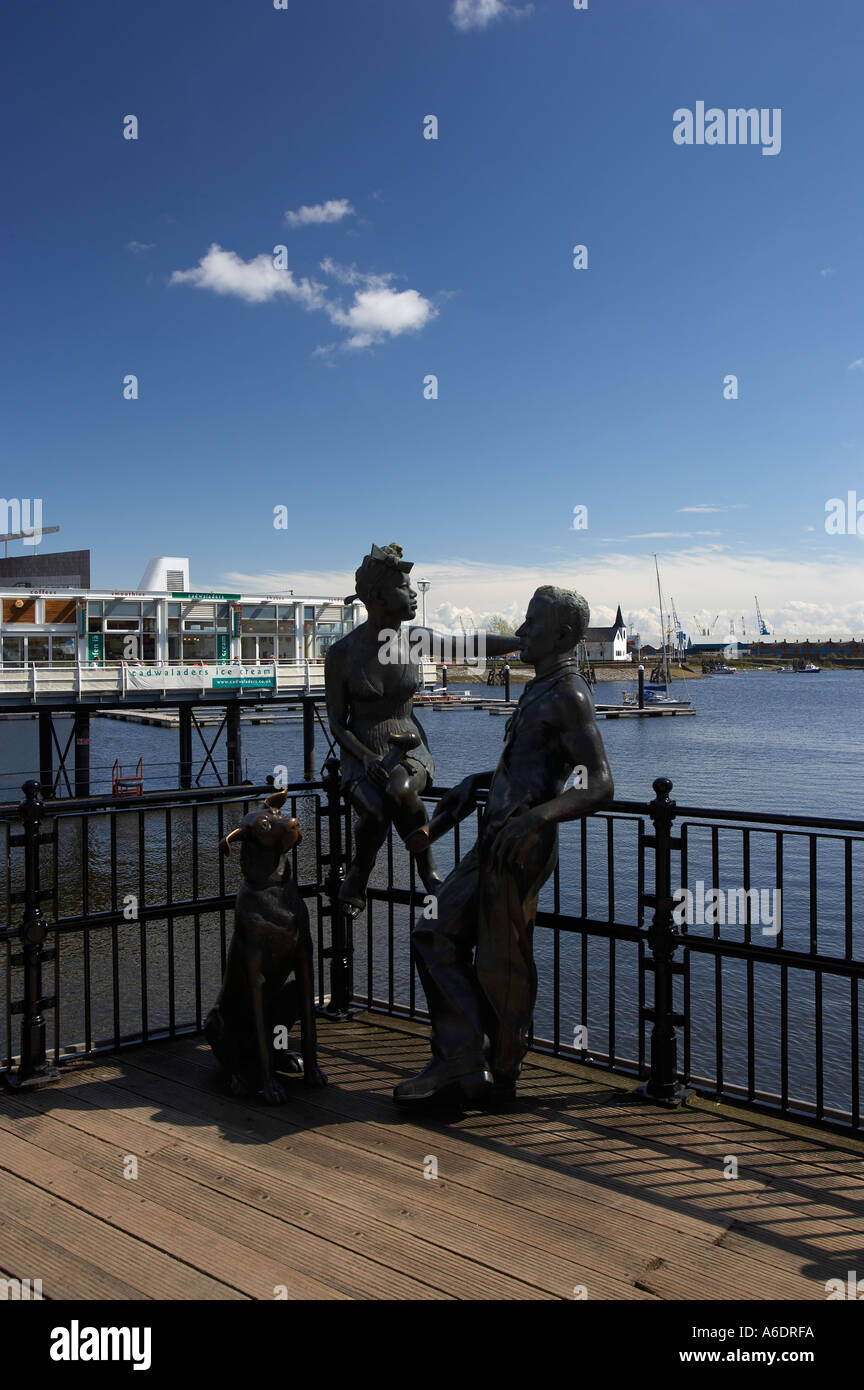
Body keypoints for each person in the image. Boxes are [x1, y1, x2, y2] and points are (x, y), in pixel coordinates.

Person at [393, 585, 614, 1105]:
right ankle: (473, 1061)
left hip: (519, 844)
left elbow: (600, 783)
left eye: (532, 623)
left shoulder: (569, 695)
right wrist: (477, 782)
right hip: (498, 836)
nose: (520, 631)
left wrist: (537, 818)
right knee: (449, 940)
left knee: (490, 957)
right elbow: (528, 768)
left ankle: (483, 1066)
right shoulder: (540, 688)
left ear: (562, 635)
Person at [325, 543, 520, 913]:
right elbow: (337, 722)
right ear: (378, 596)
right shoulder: (341, 655)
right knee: (376, 811)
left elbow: (470, 644)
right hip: (360, 751)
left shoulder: (414, 640)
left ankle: (426, 870)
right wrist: (365, 758)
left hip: (409, 744)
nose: (413, 594)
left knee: (398, 790)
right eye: (404, 587)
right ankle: (361, 873)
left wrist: (523, 643)